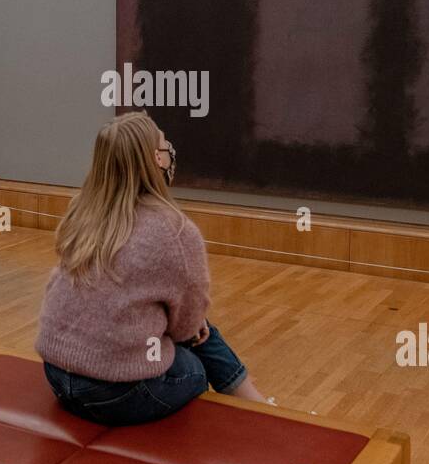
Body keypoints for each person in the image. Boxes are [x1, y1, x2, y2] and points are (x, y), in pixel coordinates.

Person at [34, 111, 271, 426]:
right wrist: (189, 327)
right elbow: (187, 328)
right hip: (114, 393)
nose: (169, 149)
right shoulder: (174, 231)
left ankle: (256, 403)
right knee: (197, 362)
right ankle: (259, 407)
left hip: (58, 376)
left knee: (187, 328)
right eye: (163, 145)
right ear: (154, 161)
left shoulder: (83, 212)